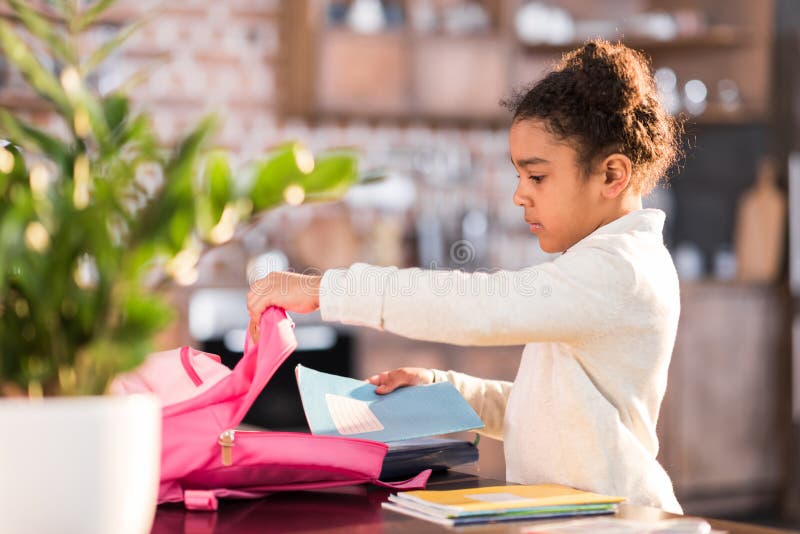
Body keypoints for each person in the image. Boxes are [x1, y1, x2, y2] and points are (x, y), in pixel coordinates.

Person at [247, 39, 683, 513]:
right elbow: (558, 414)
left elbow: (481, 303)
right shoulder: (600, 264)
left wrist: (325, 288)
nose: (520, 195)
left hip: (618, 520)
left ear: (612, 175)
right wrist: (449, 391)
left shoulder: (621, 270)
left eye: (536, 177)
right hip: (574, 516)